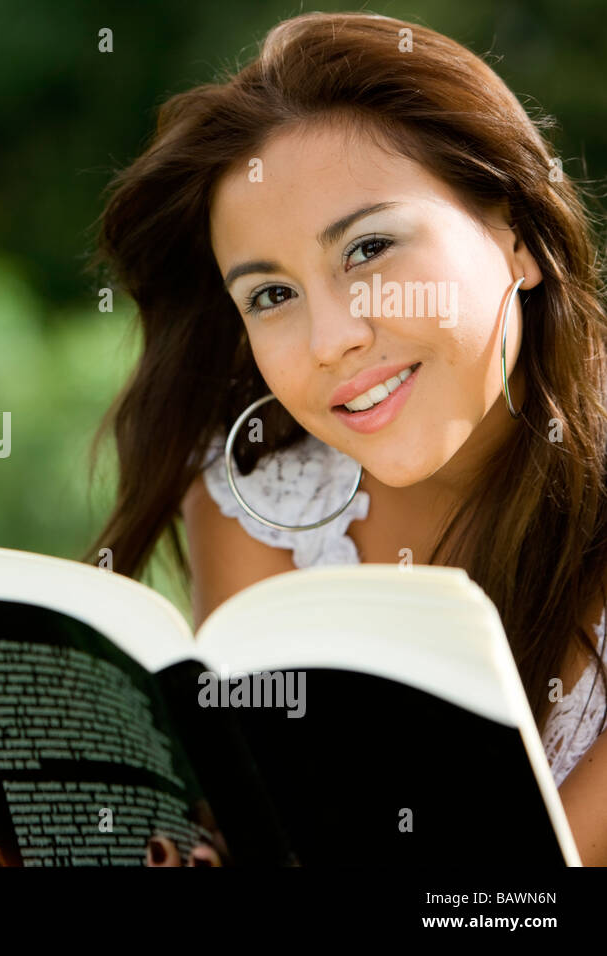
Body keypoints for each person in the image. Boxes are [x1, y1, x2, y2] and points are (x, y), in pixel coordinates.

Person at [84, 11, 607, 865]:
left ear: (517, 237)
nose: (332, 340)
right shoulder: (262, 509)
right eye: (270, 296)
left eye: (368, 247)